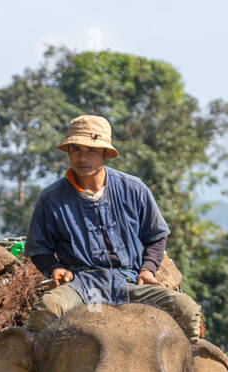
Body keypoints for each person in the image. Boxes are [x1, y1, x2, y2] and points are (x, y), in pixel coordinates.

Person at [22, 114, 203, 339]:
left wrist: (147, 269)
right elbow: (39, 249)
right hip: (82, 286)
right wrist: (54, 268)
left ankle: (192, 369)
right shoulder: (51, 198)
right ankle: (30, 368)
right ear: (68, 153)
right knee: (45, 311)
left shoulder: (134, 189)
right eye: (76, 150)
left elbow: (156, 235)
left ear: (106, 154)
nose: (82, 158)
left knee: (188, 310)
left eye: (91, 151)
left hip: (130, 283)